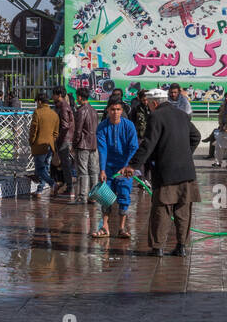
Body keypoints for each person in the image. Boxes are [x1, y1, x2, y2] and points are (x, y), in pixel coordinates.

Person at [123, 88, 201, 256]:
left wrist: (133, 165)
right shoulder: (182, 115)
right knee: (183, 211)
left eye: (149, 104)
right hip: (186, 172)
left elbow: (148, 144)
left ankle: (157, 248)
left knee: (162, 210)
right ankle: (181, 247)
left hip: (166, 172)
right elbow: (196, 136)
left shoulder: (156, 116)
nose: (149, 107)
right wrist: (185, 153)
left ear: (155, 103)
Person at [95, 98, 139, 239]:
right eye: (112, 109)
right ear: (108, 110)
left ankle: (121, 228)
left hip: (125, 168)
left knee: (124, 196)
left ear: (122, 111)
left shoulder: (129, 126)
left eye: (118, 109)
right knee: (105, 197)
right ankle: (105, 227)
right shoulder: (102, 126)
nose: (115, 112)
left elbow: (133, 147)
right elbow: (102, 149)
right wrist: (102, 169)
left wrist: (127, 165)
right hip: (108, 167)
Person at [71, 87, 99, 204]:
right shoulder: (94, 110)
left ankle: (82, 196)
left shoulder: (81, 111)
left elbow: (78, 130)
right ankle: (93, 196)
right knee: (93, 171)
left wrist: (74, 143)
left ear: (80, 97)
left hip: (83, 144)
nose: (77, 99)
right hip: (93, 144)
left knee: (83, 171)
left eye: (77, 97)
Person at [28, 91, 59, 194]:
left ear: (40, 102)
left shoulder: (37, 112)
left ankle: (52, 183)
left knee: (40, 168)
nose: (36, 104)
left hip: (39, 145)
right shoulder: (54, 114)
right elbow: (56, 133)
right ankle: (40, 189)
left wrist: (31, 141)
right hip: (50, 145)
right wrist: (51, 140)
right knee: (45, 167)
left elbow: (33, 129)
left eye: (37, 102)